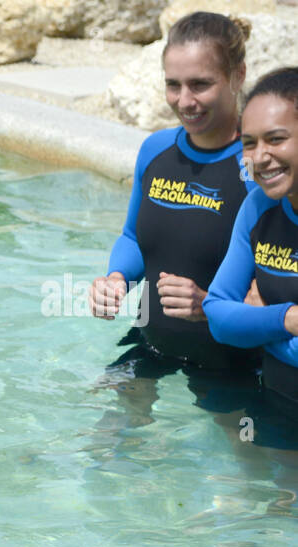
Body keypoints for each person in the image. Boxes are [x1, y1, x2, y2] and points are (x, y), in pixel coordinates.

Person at [89, 12, 260, 394]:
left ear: (238, 75)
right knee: (102, 443)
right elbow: (133, 236)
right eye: (173, 85)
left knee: (243, 453)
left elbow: (274, 282)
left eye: (200, 84)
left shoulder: (259, 168)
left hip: (232, 360)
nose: (185, 101)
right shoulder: (156, 150)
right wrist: (116, 278)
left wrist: (209, 306)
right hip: (151, 342)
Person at [205, 67, 298, 421]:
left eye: (275, 139)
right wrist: (286, 318)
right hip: (277, 403)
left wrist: (257, 322)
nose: (259, 157)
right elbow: (218, 318)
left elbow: (236, 323)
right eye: (249, 142)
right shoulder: (258, 207)